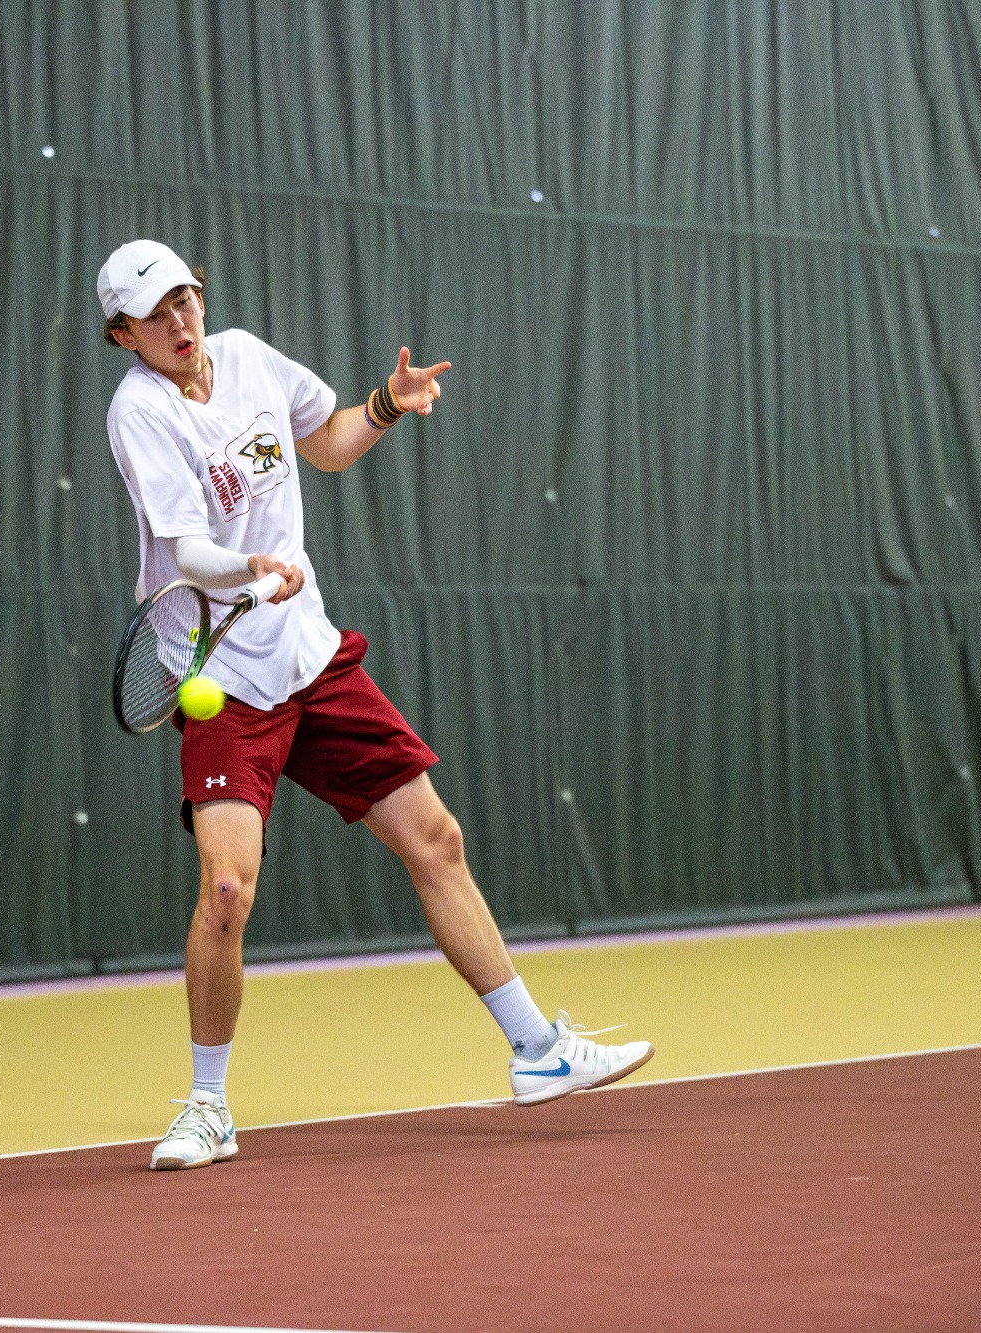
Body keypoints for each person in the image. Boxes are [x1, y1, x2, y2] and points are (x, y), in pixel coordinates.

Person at [97, 239, 653, 1172]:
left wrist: (388, 405)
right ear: (126, 335)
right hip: (221, 674)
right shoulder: (139, 413)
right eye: (159, 315)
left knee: (436, 838)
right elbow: (187, 548)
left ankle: (537, 1049)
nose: (183, 322)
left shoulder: (250, 358)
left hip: (309, 655)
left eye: (188, 299)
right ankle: (206, 1105)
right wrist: (250, 567)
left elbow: (329, 443)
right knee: (227, 890)